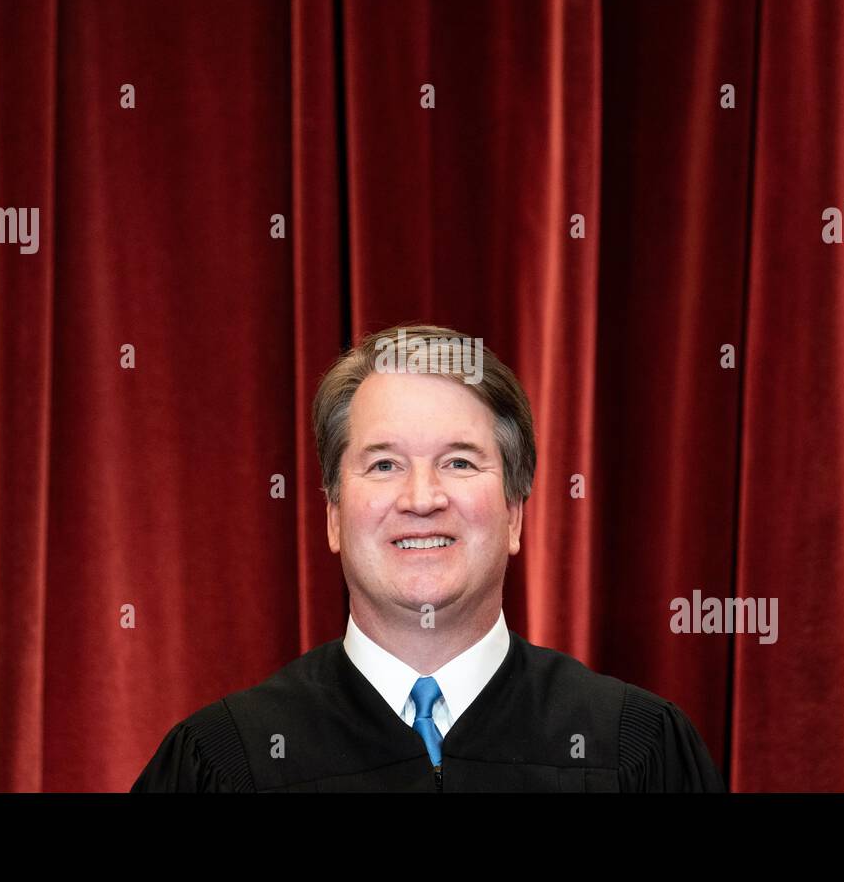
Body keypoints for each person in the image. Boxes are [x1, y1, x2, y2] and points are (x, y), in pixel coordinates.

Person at [131, 323, 725, 792]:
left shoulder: (633, 751)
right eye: (384, 464)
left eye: (460, 462)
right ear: (334, 515)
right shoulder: (225, 762)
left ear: (515, 513)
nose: (422, 499)